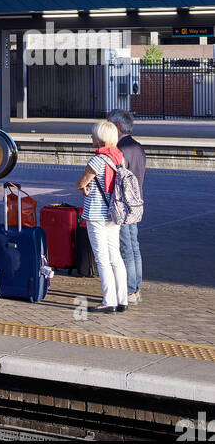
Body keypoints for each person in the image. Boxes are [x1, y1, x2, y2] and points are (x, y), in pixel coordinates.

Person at [76, 120, 129, 314]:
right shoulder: (119, 157)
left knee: (102, 259)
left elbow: (81, 182)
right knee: (115, 256)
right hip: (114, 213)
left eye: (93, 135)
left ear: (100, 139)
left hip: (97, 214)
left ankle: (109, 301)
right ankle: (122, 299)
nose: (91, 137)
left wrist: (83, 187)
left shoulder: (97, 160)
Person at [110, 109, 146, 305]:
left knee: (126, 248)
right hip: (136, 204)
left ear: (116, 126)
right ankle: (137, 288)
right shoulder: (138, 147)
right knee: (134, 247)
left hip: (123, 206)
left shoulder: (120, 150)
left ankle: (131, 290)